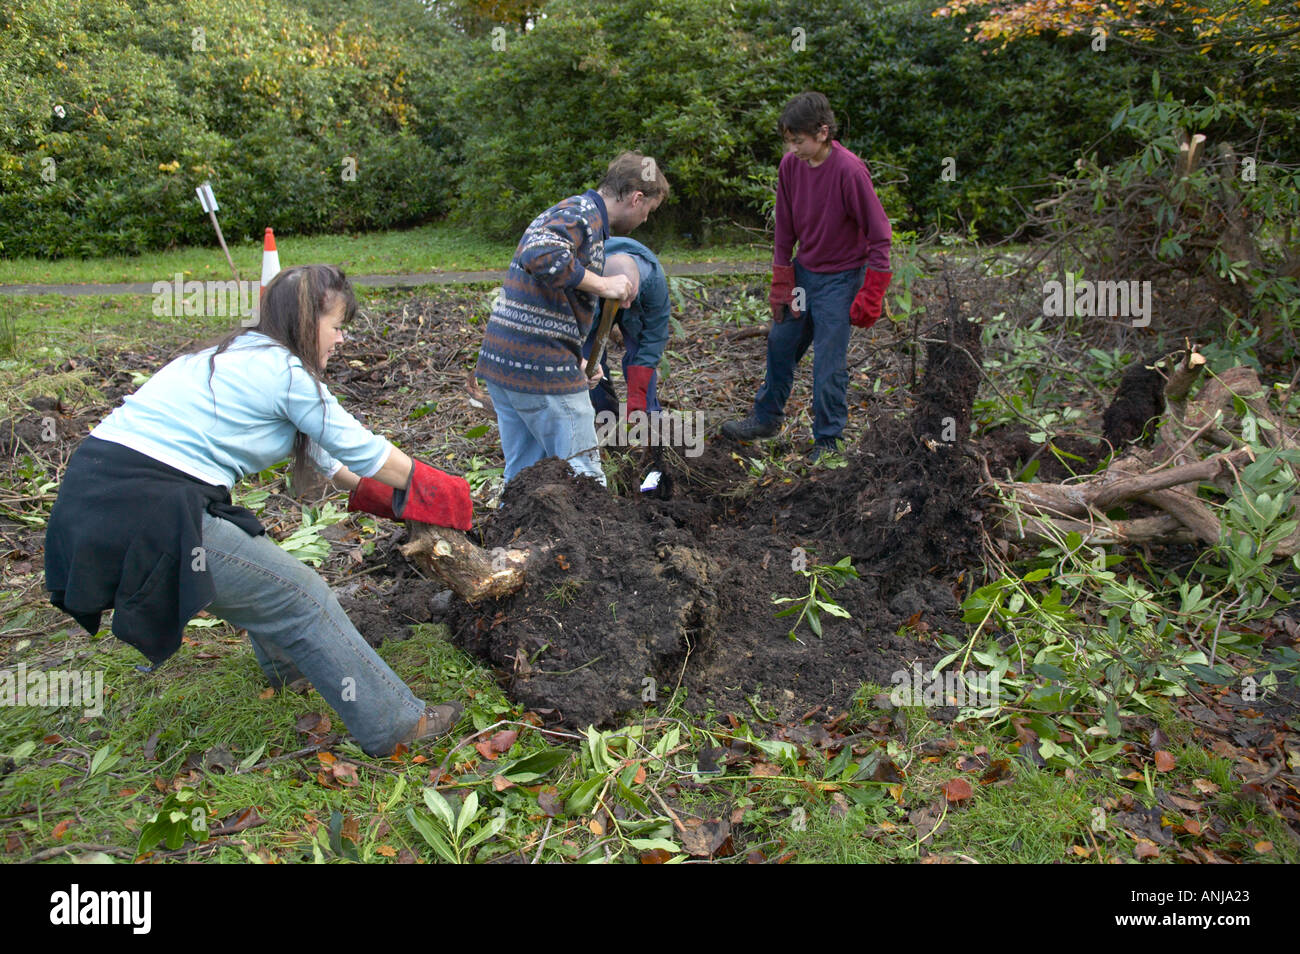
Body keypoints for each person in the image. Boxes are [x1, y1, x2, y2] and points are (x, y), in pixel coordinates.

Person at [44, 265, 471, 757]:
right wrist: (436, 488)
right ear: (307, 320)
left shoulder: (223, 358)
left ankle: (286, 669)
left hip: (93, 500)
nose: (341, 339)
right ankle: (397, 725)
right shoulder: (282, 371)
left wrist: (397, 503)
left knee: (265, 566)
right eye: (336, 326)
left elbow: (334, 464)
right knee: (302, 594)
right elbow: (366, 451)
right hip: (149, 512)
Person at [475, 152, 669, 487]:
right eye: (649, 211)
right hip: (539, 369)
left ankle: (513, 537)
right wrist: (604, 283)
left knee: (524, 477)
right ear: (637, 199)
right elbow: (539, 255)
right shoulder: (582, 214)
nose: (646, 221)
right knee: (586, 480)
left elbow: (548, 297)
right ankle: (596, 541)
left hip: (504, 364)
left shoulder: (577, 217)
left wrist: (576, 358)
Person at [721, 92, 893, 462]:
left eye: (798, 140)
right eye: (788, 140)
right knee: (781, 344)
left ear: (823, 132)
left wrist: (872, 290)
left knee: (828, 366)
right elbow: (784, 227)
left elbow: (880, 234)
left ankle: (828, 441)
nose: (793, 147)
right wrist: (782, 277)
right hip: (804, 275)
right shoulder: (790, 167)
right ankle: (766, 419)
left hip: (842, 280)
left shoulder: (849, 170)